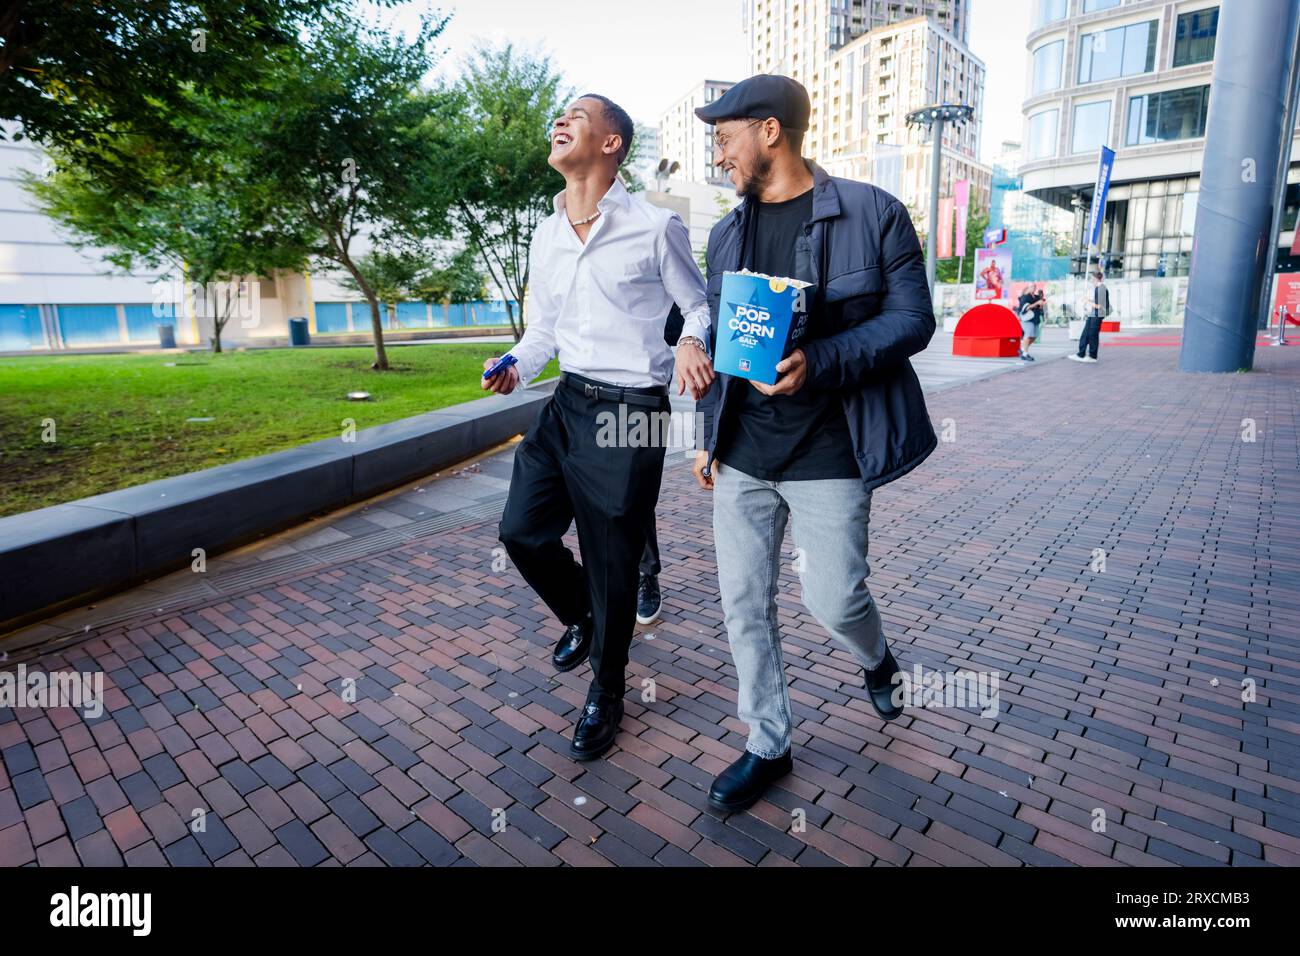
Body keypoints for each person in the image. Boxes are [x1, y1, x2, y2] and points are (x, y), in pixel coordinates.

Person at [691, 75, 937, 813]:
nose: (718, 154)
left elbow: (913, 322)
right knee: (743, 602)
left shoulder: (874, 213)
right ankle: (767, 742)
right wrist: (707, 441)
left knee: (833, 599)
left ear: (770, 131)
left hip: (833, 449)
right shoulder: (724, 233)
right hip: (742, 452)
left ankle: (877, 658)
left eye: (725, 136)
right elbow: (728, 345)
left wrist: (820, 361)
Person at [484, 94, 716, 762]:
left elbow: (694, 303)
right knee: (521, 532)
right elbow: (545, 330)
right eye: (559, 116)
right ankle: (585, 617)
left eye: (577, 116)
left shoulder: (653, 225)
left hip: (632, 412)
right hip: (566, 405)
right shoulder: (547, 230)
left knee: (613, 559)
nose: (560, 122)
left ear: (611, 143)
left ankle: (607, 691)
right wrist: (514, 367)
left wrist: (691, 344)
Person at [1070, 271, 1108, 363]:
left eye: (1091, 279)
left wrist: (1088, 302)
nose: (1091, 281)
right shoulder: (1098, 288)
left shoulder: (1101, 289)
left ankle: (1092, 356)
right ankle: (1081, 353)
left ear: (1095, 279)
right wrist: (1089, 300)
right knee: (1086, 333)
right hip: (1093, 314)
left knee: (1093, 335)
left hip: (1097, 314)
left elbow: (1099, 305)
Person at [1016, 283, 1046, 361]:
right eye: (1032, 286)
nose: (1034, 287)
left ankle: (1022, 349)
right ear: (1028, 287)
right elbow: (1026, 308)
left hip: (1035, 318)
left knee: (1034, 336)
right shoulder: (1025, 297)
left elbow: (1039, 307)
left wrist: (1041, 304)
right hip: (1027, 319)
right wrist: (1037, 303)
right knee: (1028, 335)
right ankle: (1025, 354)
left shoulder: (1036, 297)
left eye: (1035, 286)